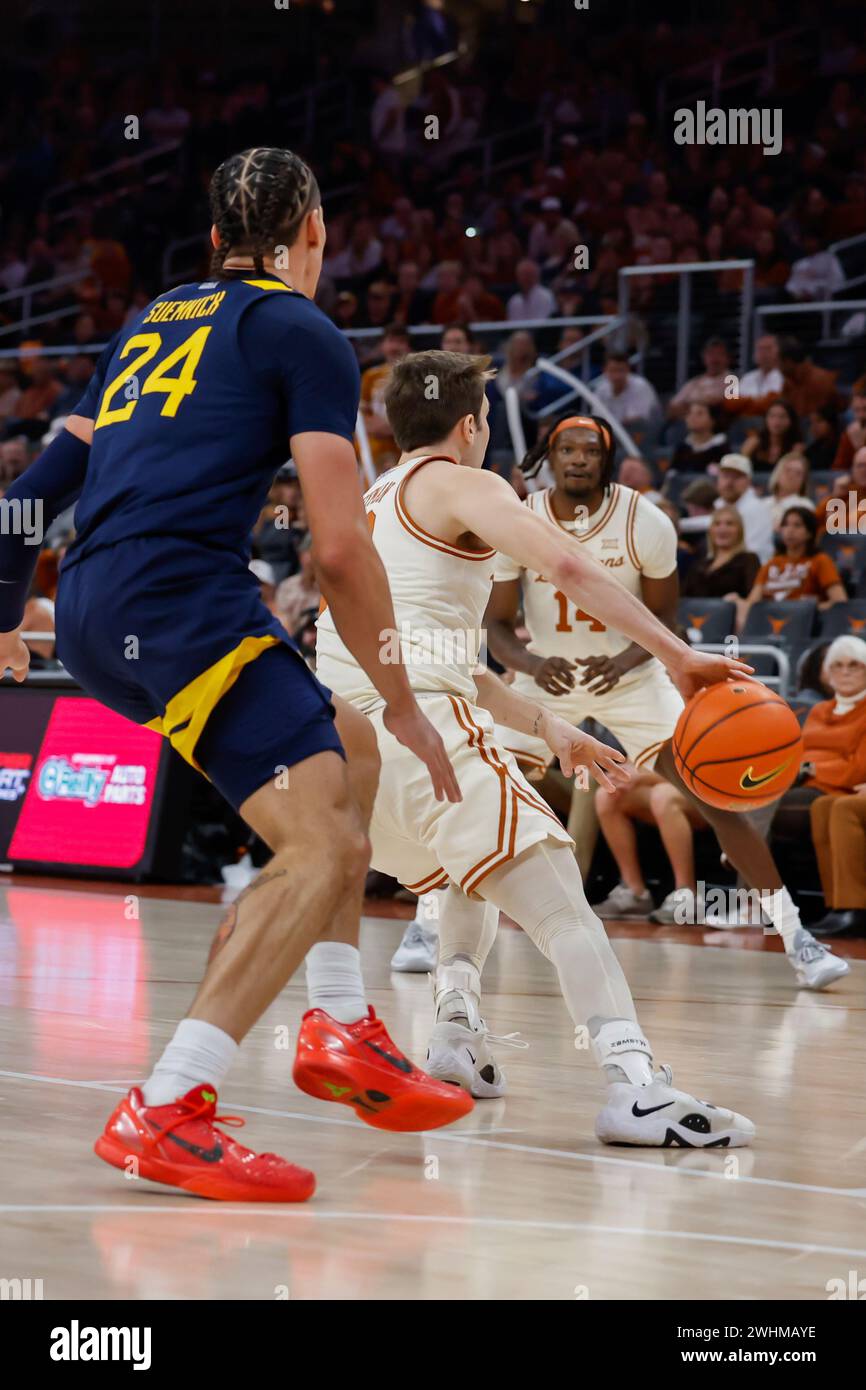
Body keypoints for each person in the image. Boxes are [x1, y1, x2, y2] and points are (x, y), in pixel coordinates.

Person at [0, 147, 470, 1205]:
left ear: (213, 239)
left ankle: (339, 1021)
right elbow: (341, 551)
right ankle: (168, 1103)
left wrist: (2, 609)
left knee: (343, 751)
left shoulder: (153, 318)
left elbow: (42, 479)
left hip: (95, 601)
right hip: (177, 599)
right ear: (311, 235)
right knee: (325, 842)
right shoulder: (304, 332)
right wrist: (406, 699)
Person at [317, 359, 760, 1145]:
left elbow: (433, 650)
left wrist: (551, 727)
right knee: (562, 907)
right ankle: (635, 1087)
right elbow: (565, 564)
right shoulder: (465, 483)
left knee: (472, 873)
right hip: (426, 733)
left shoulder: (366, 499)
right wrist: (676, 654)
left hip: (347, 751)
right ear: (472, 425)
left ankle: (455, 1031)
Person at [482, 413, 847, 976]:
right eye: (567, 450)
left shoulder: (644, 520)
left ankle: (797, 936)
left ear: (605, 459)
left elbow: (665, 619)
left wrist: (625, 658)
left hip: (631, 678)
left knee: (716, 797)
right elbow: (499, 627)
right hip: (545, 675)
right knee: (477, 787)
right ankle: (429, 927)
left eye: (589, 450)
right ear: (548, 458)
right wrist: (532, 662)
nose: (578, 458)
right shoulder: (515, 519)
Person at [806, 636, 866, 938]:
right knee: (821, 806)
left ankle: (854, 909)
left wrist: (813, 769)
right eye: (838, 666)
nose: (845, 672)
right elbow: (800, 754)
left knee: (841, 807)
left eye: (854, 666)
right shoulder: (818, 711)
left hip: (849, 789)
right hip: (829, 788)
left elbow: (858, 767)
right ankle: (836, 907)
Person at [594, 768, 707, 922]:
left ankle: (687, 894)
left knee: (663, 796)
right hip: (665, 783)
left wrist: (647, 777)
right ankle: (634, 893)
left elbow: (701, 774)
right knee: (607, 795)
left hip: (707, 793)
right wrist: (622, 773)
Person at [737, 505, 846, 629]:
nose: (790, 530)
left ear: (810, 533)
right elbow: (753, 601)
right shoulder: (772, 563)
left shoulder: (820, 560)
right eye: (785, 525)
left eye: (797, 525)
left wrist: (810, 609)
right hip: (771, 623)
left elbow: (839, 601)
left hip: (806, 625)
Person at [681, 504, 760, 599]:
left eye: (729, 524)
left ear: (739, 530)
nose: (722, 529)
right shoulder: (700, 564)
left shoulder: (749, 560)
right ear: (710, 530)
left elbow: (753, 598)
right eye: (717, 524)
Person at [714, 454, 775, 562]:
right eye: (725, 476)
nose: (729, 482)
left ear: (748, 481)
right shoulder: (719, 504)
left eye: (736, 477)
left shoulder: (757, 509)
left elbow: (753, 551)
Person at [587, 352, 662, 430]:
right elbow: (597, 417)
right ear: (605, 371)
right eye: (613, 370)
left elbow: (637, 419)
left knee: (637, 424)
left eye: (620, 370)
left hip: (647, 431)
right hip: (615, 431)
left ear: (628, 370)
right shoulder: (601, 388)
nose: (617, 376)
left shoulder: (640, 386)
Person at [668, 337, 732, 417]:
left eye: (720, 354)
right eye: (711, 353)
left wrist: (689, 404)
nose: (714, 359)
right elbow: (672, 409)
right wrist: (701, 405)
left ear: (728, 359)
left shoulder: (732, 381)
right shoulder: (693, 383)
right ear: (704, 357)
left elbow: (728, 408)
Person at [741, 401, 803, 473]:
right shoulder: (753, 442)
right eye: (772, 416)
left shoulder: (796, 447)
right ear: (765, 419)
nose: (776, 421)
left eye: (782, 417)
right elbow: (741, 469)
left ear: (791, 420)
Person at [669, 402, 729, 470]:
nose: (692, 417)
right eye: (689, 413)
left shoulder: (721, 448)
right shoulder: (682, 448)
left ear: (713, 420)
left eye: (699, 413)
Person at [766, 451, 814, 528]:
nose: (792, 475)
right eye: (788, 470)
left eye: (798, 473)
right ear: (777, 473)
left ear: (803, 481)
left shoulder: (805, 506)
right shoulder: (762, 503)